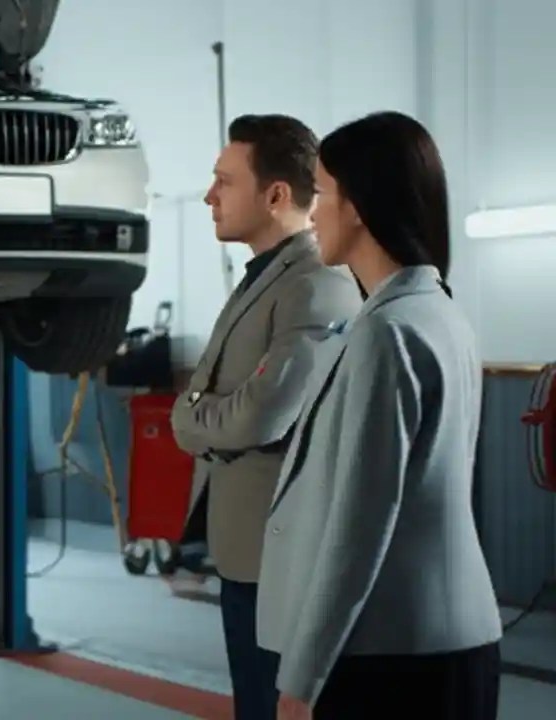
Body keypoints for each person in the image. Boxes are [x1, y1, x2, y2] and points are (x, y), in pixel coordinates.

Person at [257, 111, 504, 720]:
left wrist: (302, 678)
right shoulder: (439, 313)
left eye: (324, 193)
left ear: (360, 206)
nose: (312, 213)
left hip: (389, 651)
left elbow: (362, 524)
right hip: (454, 636)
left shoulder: (386, 333)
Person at [170, 114, 363, 720]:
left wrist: (194, 421)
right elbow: (216, 397)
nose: (209, 196)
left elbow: (260, 417)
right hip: (245, 551)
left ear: (276, 194)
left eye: (224, 181)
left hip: (278, 556)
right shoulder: (266, 277)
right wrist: (203, 414)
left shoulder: (316, 283)